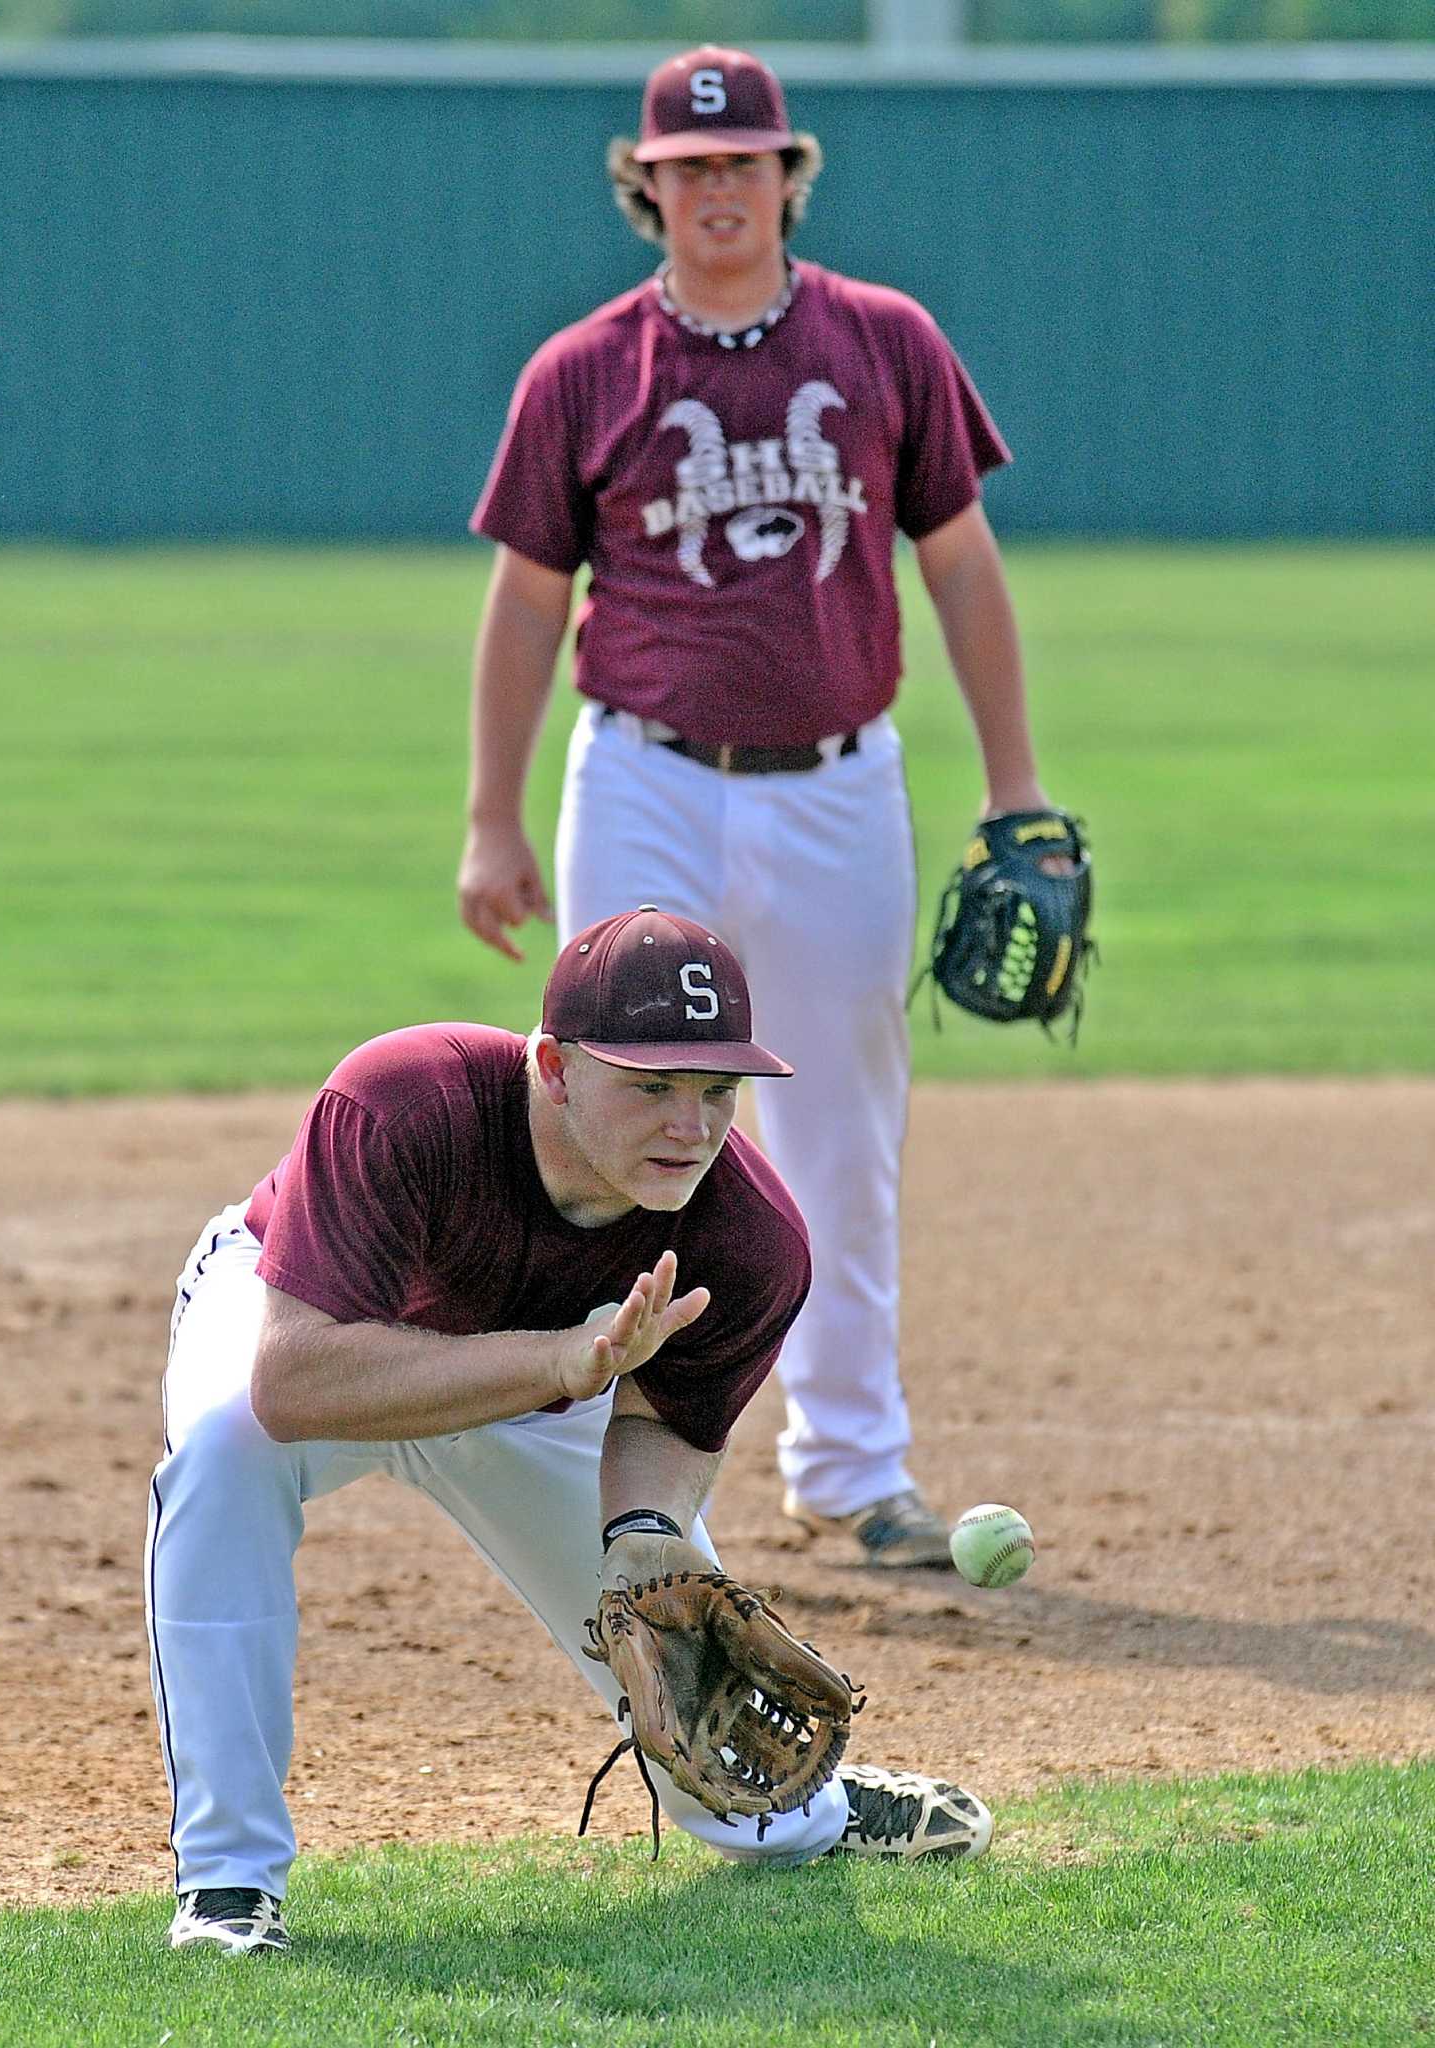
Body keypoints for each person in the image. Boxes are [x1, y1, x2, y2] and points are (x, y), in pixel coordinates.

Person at [459, 44, 1065, 1572]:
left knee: (840, 1126)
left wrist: (1015, 788)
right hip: (645, 772)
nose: (716, 188)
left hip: (838, 785)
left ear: (789, 177)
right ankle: (572, 1423)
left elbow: (964, 567)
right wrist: (492, 814)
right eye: (687, 167)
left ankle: (854, 1467)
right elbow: (530, 602)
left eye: (744, 163)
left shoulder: (884, 343)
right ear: (643, 186)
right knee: (606, 1105)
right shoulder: (583, 370)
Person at [145, 906, 991, 1954]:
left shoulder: (748, 1238)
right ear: (551, 1064)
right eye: (651, 1085)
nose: (691, 1125)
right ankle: (228, 1884)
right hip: (315, 1326)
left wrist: (642, 1531)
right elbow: (293, 1382)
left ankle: (818, 1814)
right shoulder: (406, 1099)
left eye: (717, 1089)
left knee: (740, 1785)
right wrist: (557, 1361)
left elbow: (666, 1424)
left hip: (540, 1396)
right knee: (225, 1449)